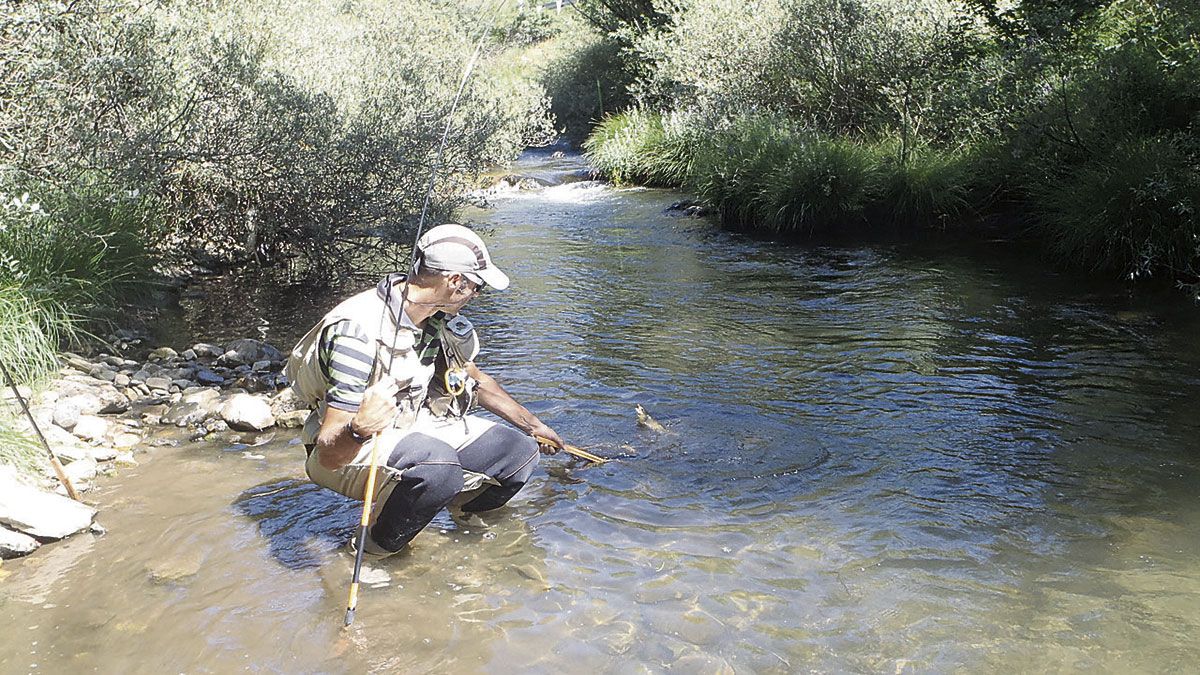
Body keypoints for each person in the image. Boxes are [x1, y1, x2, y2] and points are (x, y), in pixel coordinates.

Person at [286, 223, 564, 560]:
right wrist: (360, 428)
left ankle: (461, 520)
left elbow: (478, 381)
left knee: (518, 453)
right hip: (343, 446)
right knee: (438, 469)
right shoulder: (355, 332)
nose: (477, 296)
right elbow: (329, 454)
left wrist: (534, 428)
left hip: (410, 428)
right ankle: (372, 548)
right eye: (477, 287)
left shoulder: (434, 318)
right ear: (455, 282)